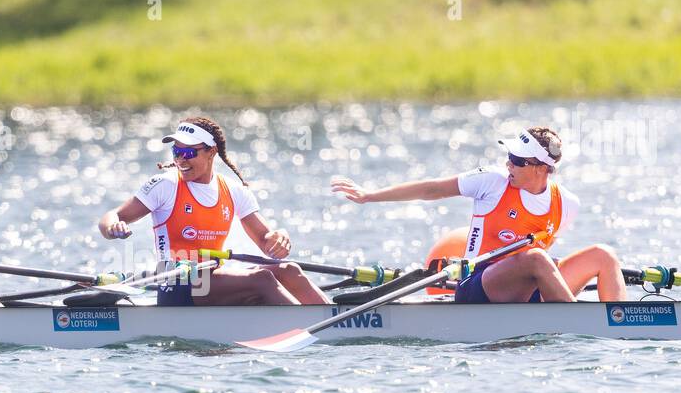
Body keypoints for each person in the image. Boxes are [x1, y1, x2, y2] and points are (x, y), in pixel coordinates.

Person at [331, 126, 626, 303]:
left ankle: (618, 326)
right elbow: (432, 190)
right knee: (537, 258)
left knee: (603, 255)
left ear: (540, 168)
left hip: (527, 287)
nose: (507, 164)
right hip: (478, 285)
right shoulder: (492, 181)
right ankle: (577, 322)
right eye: (508, 157)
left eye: (516, 160)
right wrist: (370, 196)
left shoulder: (567, 204)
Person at [97, 116, 328, 306]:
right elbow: (111, 217)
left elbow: (265, 240)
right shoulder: (165, 185)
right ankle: (311, 331)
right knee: (263, 279)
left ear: (211, 152)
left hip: (211, 282)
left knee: (290, 270)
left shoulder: (233, 190)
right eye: (176, 151)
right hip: (177, 283)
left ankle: (338, 322)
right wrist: (112, 227)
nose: (180, 159)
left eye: (188, 153)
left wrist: (279, 239)